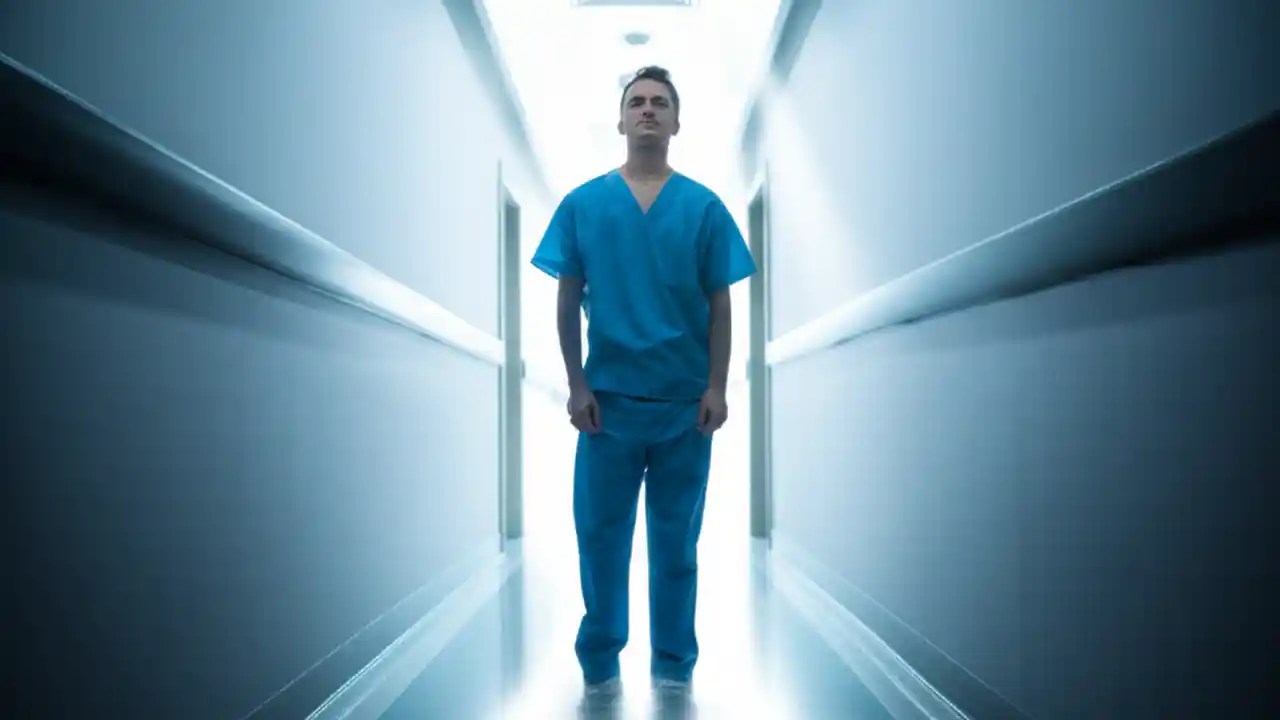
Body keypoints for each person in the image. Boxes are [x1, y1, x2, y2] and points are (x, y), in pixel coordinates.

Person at [530, 65, 758, 709]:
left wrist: (716, 385)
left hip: (684, 407)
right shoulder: (583, 205)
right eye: (638, 102)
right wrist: (576, 384)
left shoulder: (704, 208)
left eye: (660, 102)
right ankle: (600, 659)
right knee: (601, 538)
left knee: (675, 544)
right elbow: (566, 300)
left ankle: (673, 664)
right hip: (608, 408)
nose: (648, 110)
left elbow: (720, 305)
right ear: (622, 119)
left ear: (677, 122)